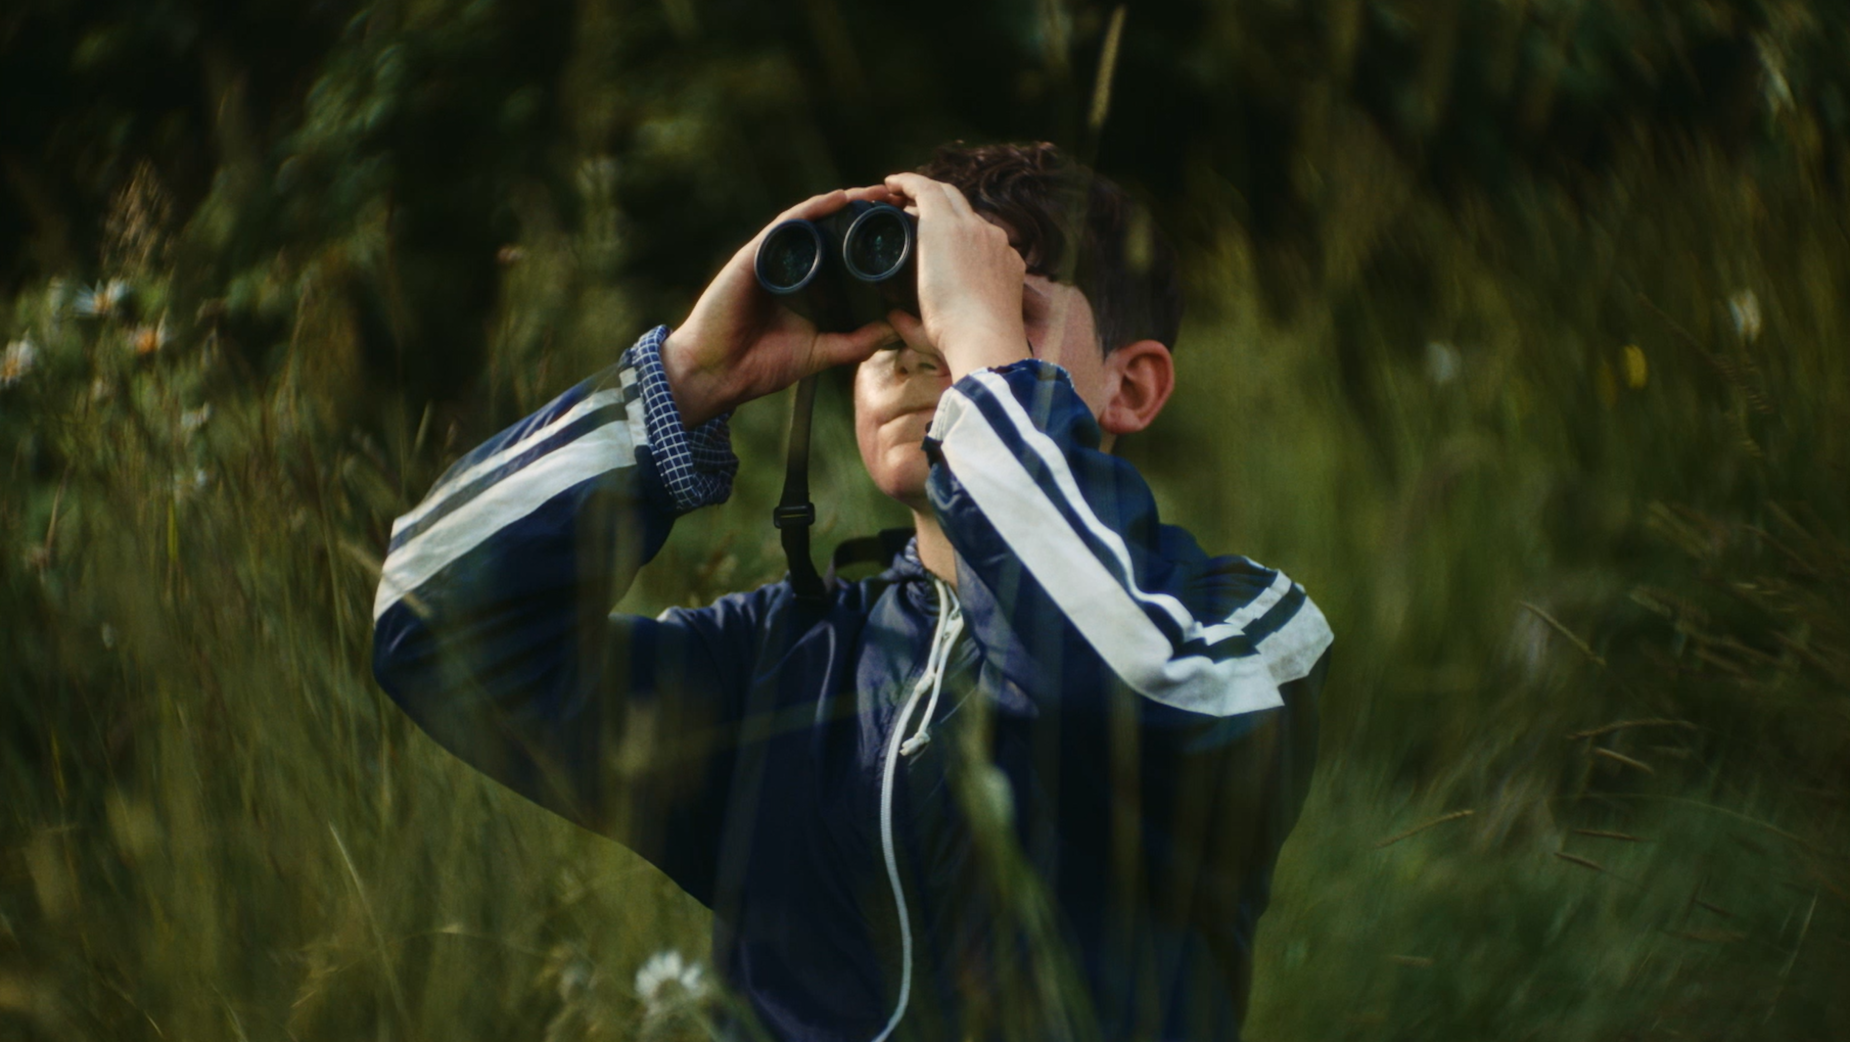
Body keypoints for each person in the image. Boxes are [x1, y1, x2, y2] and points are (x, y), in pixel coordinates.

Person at [371, 141, 1333, 1041]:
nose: (922, 345)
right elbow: (424, 619)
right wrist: (681, 381)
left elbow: (1116, 680)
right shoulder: (779, 667)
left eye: (998, 305)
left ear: (1132, 387)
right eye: (894, 315)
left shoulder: (1235, 628)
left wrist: (985, 367)